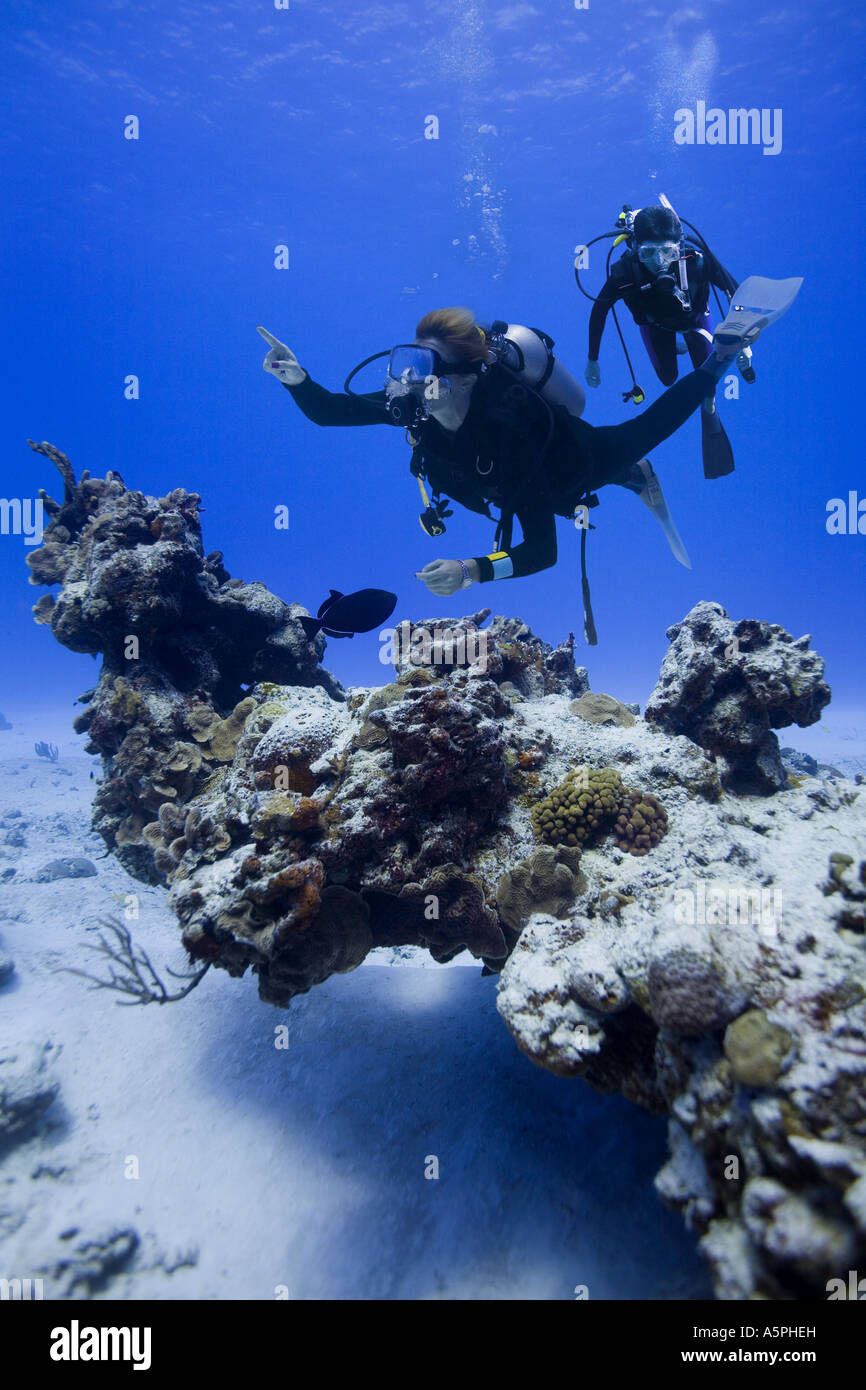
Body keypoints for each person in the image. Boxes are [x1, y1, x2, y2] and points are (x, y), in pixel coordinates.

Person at [257, 304, 761, 606]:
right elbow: (329, 412)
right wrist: (296, 378)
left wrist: (471, 571)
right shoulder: (415, 406)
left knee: (639, 436)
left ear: (466, 380)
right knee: (629, 454)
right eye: (403, 364)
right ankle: (636, 478)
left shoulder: (510, 432)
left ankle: (712, 367)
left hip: (572, 464)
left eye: (421, 369)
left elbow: (544, 551)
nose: (404, 382)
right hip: (498, 485)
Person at [583, 204, 740, 477]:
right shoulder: (625, 275)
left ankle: (709, 403)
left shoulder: (697, 261)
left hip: (695, 320)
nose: (659, 262)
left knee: (707, 380)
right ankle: (681, 344)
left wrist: (743, 333)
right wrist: (592, 359)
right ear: (636, 249)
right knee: (668, 379)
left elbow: (731, 288)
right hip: (655, 326)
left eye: (667, 252)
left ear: (679, 247)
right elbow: (599, 312)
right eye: (648, 253)